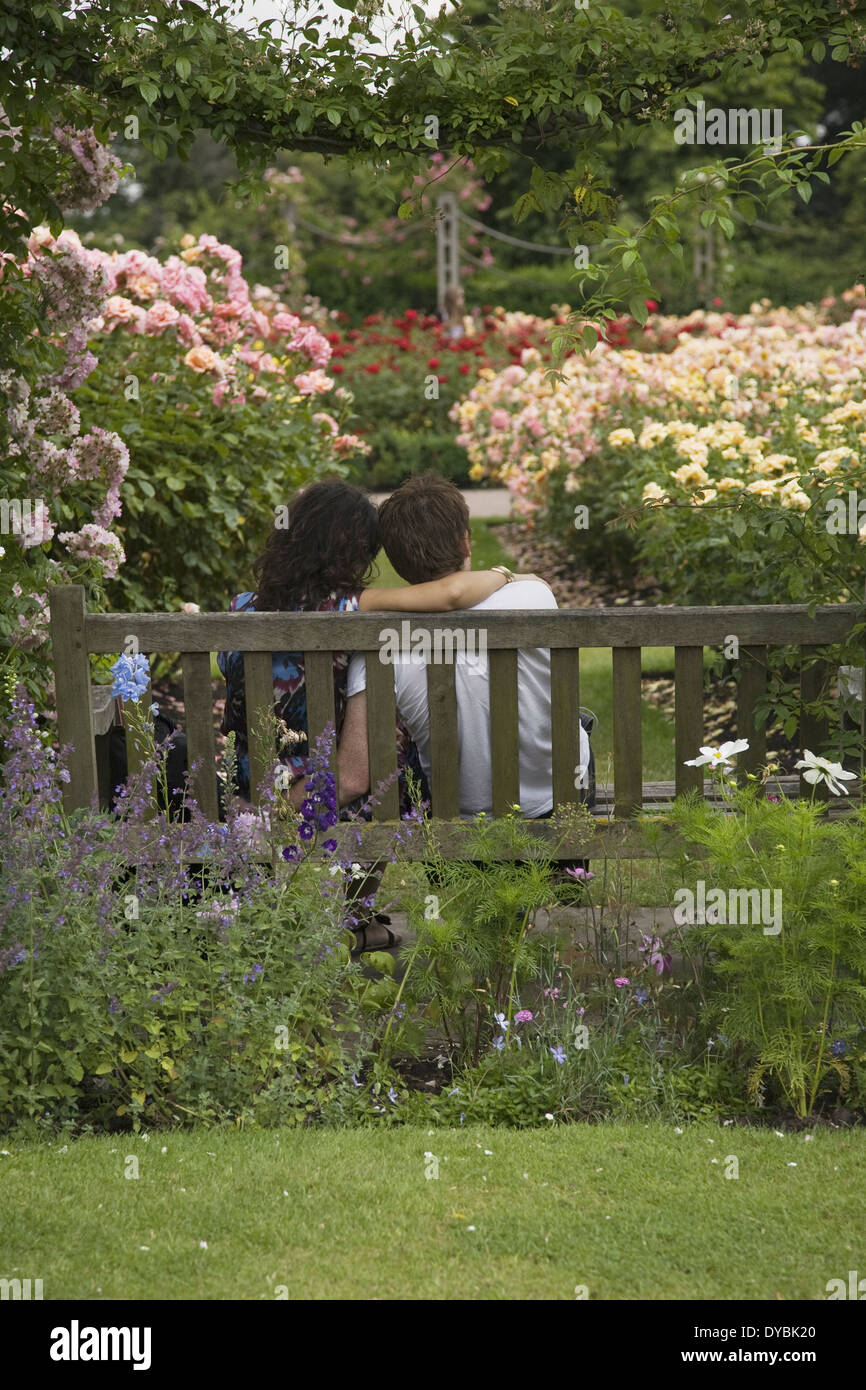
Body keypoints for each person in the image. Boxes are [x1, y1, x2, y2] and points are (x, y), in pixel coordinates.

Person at [217, 479, 523, 950]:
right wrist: (505, 574)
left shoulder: (239, 609)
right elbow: (449, 595)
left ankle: (258, 907)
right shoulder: (348, 606)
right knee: (386, 762)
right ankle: (355, 919)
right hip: (331, 787)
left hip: (247, 780)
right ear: (355, 551)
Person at [344, 472, 592, 821]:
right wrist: (507, 574)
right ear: (465, 543)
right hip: (560, 803)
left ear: (399, 566)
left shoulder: (380, 643)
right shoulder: (534, 596)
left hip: (456, 824)